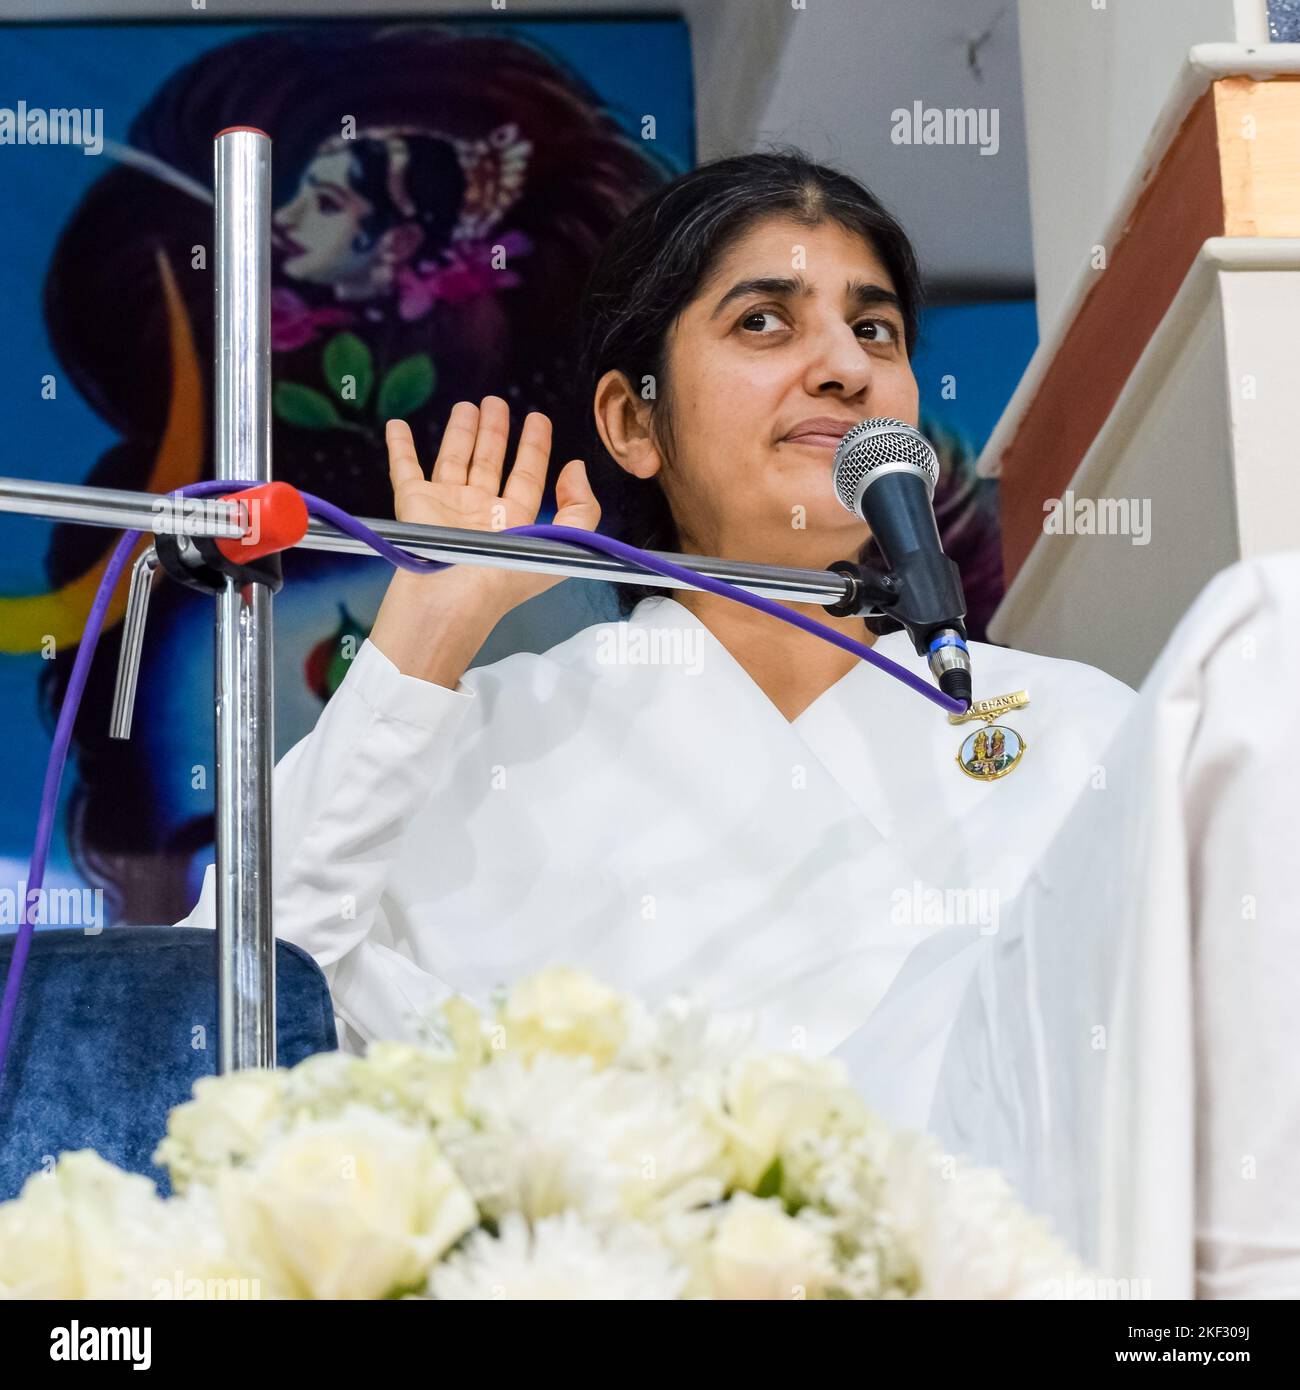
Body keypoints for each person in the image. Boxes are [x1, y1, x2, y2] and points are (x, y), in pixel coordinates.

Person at [176, 152, 1136, 1057]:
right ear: (634, 423)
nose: (845, 366)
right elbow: (227, 1000)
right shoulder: (496, 745)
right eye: (764, 321)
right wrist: (429, 629)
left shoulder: (1077, 726)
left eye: (873, 329)